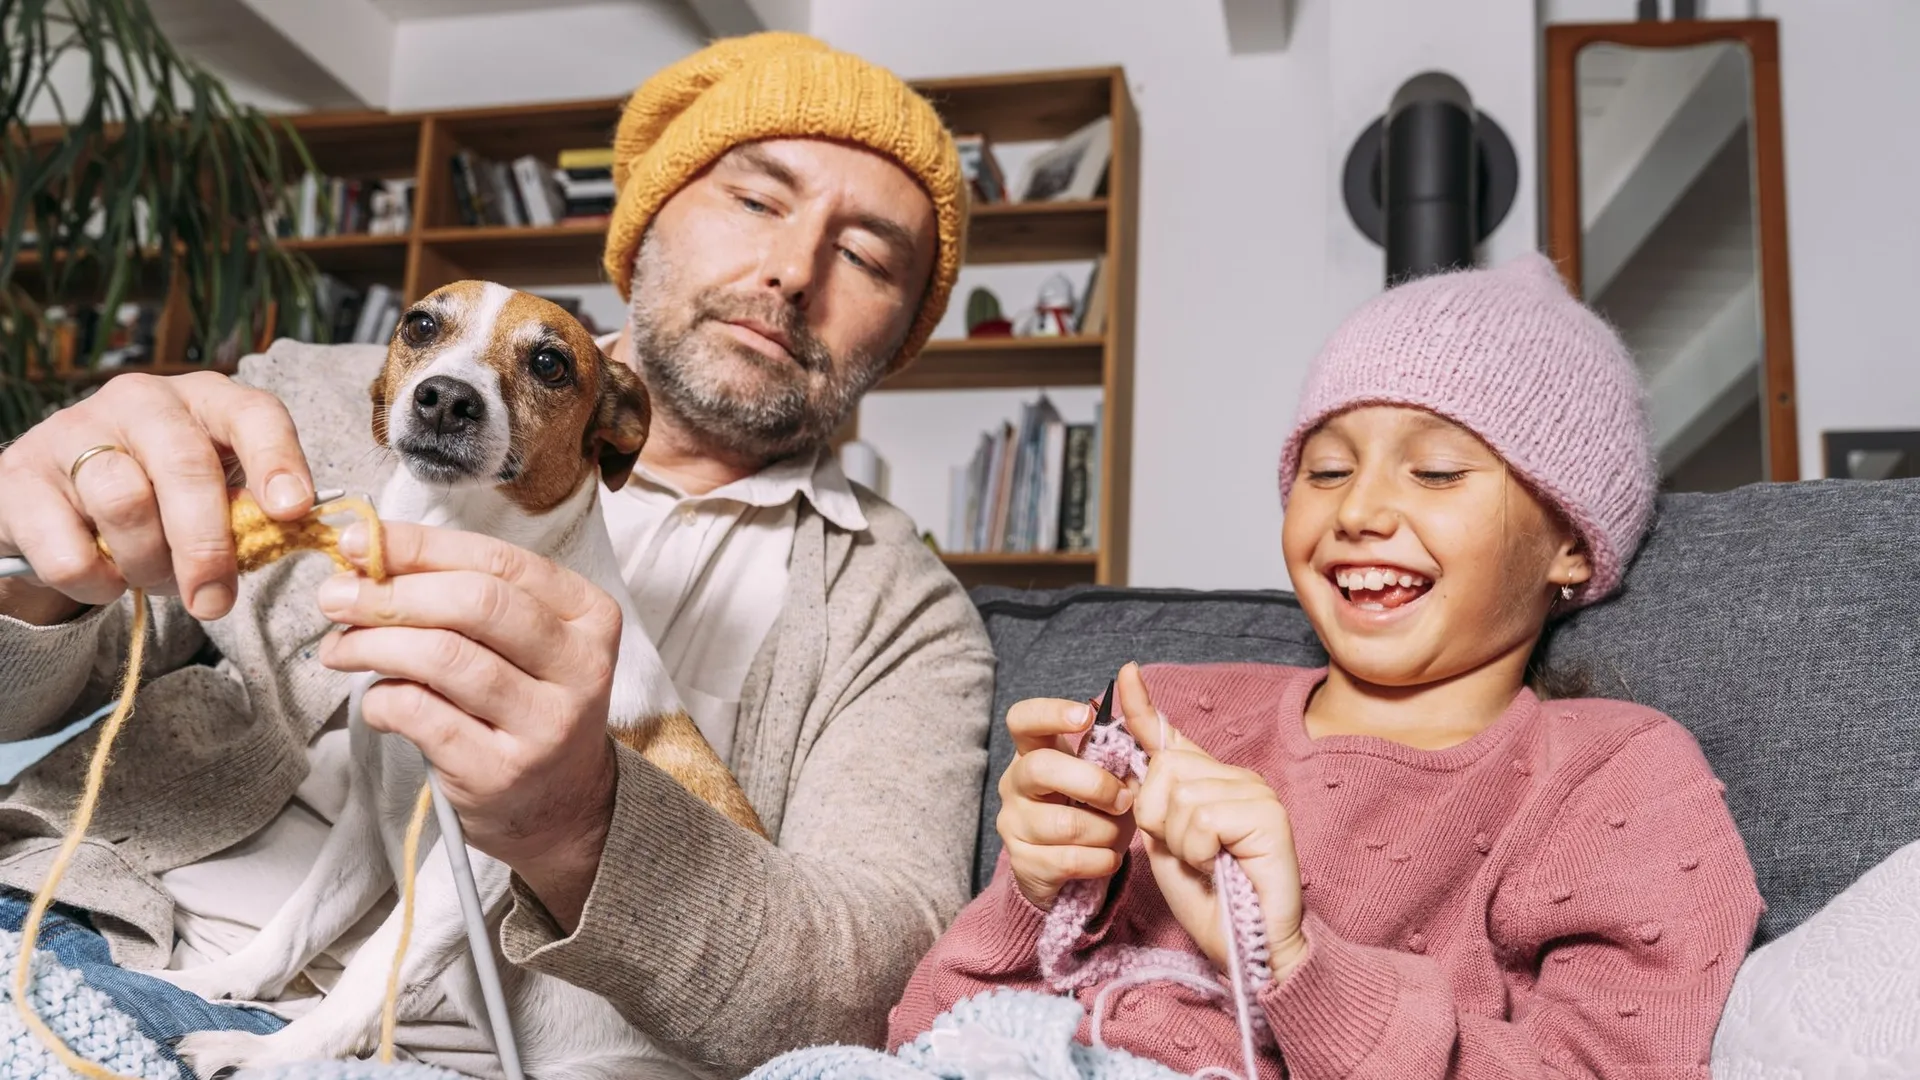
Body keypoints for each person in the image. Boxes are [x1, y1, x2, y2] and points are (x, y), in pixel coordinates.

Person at [0, 31, 994, 1078]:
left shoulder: (900, 611)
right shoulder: (318, 401)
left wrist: (584, 823)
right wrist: (36, 562)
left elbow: (879, 987)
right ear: (646, 220)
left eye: (868, 256)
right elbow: (24, 696)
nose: (793, 269)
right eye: (756, 200)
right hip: (114, 934)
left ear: (900, 337)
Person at [888, 253, 1766, 1078]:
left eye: (1435, 471)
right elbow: (919, 1039)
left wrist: (1298, 961)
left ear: (1571, 542)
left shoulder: (1613, 775)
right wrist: (1032, 900)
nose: (1358, 509)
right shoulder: (1163, 709)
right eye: (1327, 468)